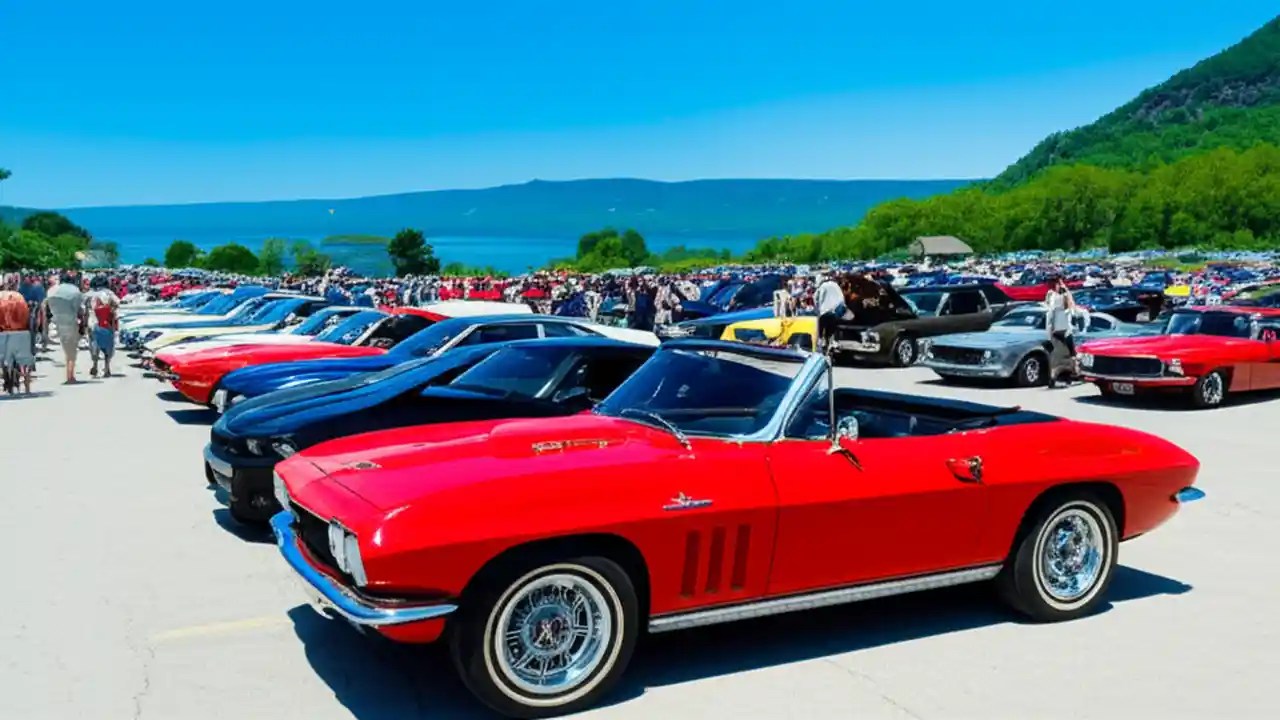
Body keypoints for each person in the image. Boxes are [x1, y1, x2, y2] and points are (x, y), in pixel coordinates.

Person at [46, 273, 85, 384]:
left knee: (66, 348)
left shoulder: (51, 290)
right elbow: (78, 309)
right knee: (72, 350)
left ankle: (69, 374)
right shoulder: (75, 291)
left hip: (57, 322)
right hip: (70, 321)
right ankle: (70, 375)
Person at [1, 275, 35, 394]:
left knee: (3, 359)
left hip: (3, 332)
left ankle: (6, 377)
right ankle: (27, 386)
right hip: (21, 332)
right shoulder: (20, 297)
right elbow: (27, 317)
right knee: (25, 361)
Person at [1045, 277, 1078, 388]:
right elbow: (1071, 306)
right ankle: (1067, 376)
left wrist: (1049, 335)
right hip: (1064, 331)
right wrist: (1066, 290)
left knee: (1058, 358)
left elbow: (1049, 318)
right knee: (1069, 356)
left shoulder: (1053, 299)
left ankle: (1055, 377)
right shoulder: (1060, 300)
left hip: (1057, 332)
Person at [86, 276, 121, 377]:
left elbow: (83, 308)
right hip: (106, 321)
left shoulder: (88, 294)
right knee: (108, 344)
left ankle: (95, 364)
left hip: (92, 321)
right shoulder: (109, 293)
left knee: (94, 344)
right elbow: (117, 303)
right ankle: (107, 368)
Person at [814, 274, 846, 354]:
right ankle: (831, 343)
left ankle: (821, 344)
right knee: (831, 331)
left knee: (821, 330)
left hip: (825, 311)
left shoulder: (822, 286)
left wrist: (818, 310)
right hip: (836, 311)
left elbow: (818, 299)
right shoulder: (836, 285)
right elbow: (842, 299)